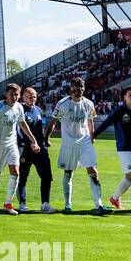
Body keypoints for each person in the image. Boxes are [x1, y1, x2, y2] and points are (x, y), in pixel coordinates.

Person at [90, 84, 131, 217]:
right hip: (124, 149)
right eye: (130, 95)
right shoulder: (119, 111)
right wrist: (94, 136)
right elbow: (106, 123)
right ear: (125, 98)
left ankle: (114, 198)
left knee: (128, 177)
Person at [47, 77, 105, 213]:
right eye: (76, 87)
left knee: (93, 172)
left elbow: (91, 121)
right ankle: (68, 204)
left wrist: (92, 136)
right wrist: (46, 137)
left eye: (81, 87)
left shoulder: (89, 104)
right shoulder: (62, 104)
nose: (79, 90)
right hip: (69, 143)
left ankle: (99, 205)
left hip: (85, 143)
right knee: (68, 173)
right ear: (71, 88)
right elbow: (53, 121)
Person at [0, 83, 38, 215]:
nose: (14, 97)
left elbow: (22, 123)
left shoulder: (19, 107)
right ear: (6, 94)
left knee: (15, 172)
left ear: (19, 95)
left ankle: (8, 203)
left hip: (12, 145)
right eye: (11, 94)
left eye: (16, 94)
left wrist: (33, 140)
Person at [16, 86, 53, 213]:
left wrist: (45, 140)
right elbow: (19, 131)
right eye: (29, 96)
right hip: (25, 149)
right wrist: (30, 143)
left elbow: (40, 128)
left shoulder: (38, 109)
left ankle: (45, 204)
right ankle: (22, 203)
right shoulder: (20, 110)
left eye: (34, 96)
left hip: (41, 148)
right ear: (23, 97)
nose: (32, 99)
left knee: (47, 176)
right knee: (23, 177)